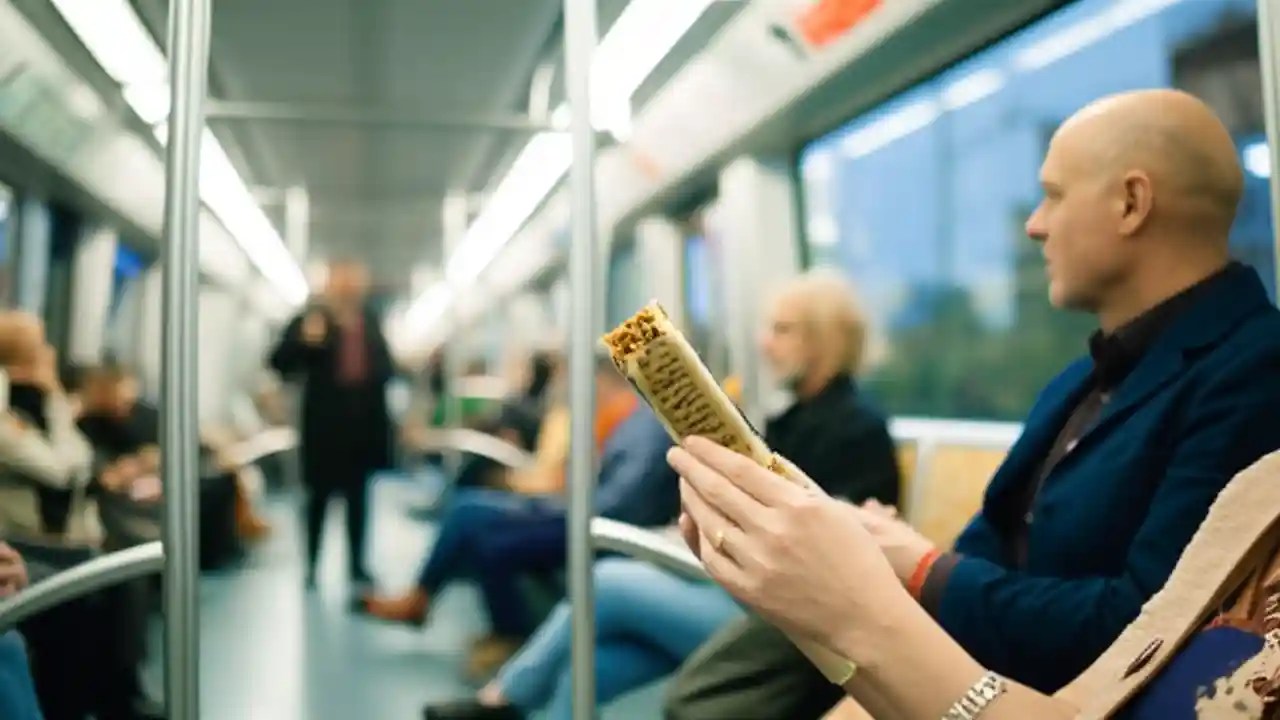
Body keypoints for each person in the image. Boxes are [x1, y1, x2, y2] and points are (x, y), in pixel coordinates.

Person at [669, 89, 1280, 718]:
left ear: (1131, 204)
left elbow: (1142, 629)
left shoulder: (1257, 367)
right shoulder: (1078, 379)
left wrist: (918, 567)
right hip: (973, 660)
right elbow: (988, 540)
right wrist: (896, 555)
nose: (1034, 223)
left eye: (1054, 195)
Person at [425, 271, 901, 720]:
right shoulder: (793, 419)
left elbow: (829, 542)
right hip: (747, 597)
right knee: (597, 660)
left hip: (786, 626)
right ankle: (506, 703)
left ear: (823, 340)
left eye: (782, 330)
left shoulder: (857, 431)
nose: (764, 343)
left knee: (607, 582)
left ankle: (500, 702)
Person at [362, 355, 680, 668]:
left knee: (492, 542)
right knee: (469, 508)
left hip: (601, 526)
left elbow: (617, 504)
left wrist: (549, 508)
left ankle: (508, 632)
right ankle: (423, 598)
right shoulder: (630, 423)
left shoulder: (646, 431)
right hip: (583, 513)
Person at [270, 259, 395, 588]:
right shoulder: (311, 319)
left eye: (354, 285)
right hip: (323, 428)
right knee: (317, 500)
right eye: (342, 284)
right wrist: (305, 342)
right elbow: (278, 362)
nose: (349, 291)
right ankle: (311, 565)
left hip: (361, 427)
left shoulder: (369, 321)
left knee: (359, 501)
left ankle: (356, 565)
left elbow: (385, 368)